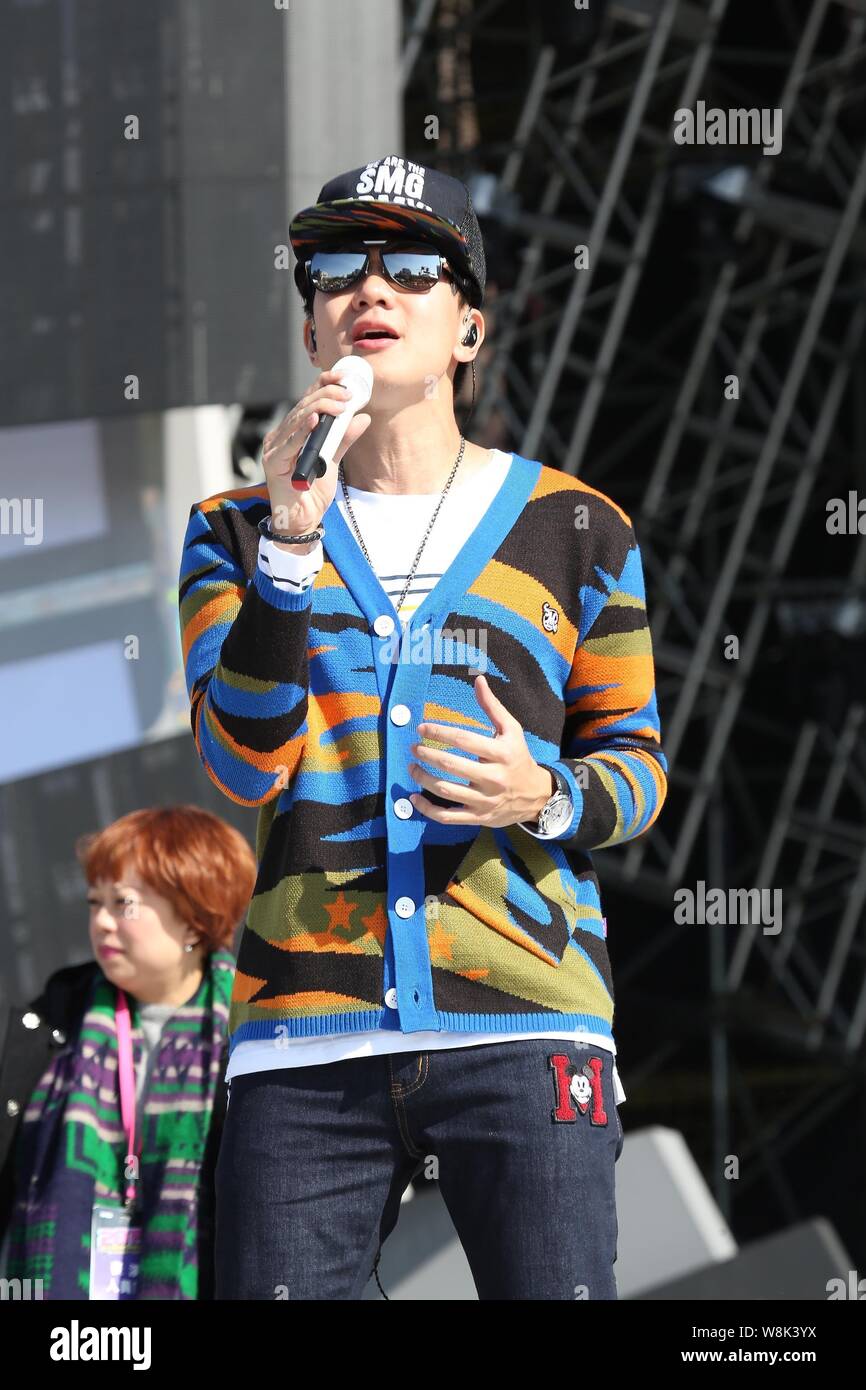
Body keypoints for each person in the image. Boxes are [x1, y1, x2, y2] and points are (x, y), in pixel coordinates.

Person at [178, 154, 668, 1300]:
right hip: (307, 1044)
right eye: (334, 267)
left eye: (412, 264)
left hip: (526, 1027)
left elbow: (636, 770)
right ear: (312, 333)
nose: (369, 288)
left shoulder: (577, 527)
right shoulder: (235, 530)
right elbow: (239, 759)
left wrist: (538, 794)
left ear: (468, 329)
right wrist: (294, 548)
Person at [0, 805, 256, 1299]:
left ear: (192, 918)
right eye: (94, 903)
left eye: (123, 905)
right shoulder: (49, 1023)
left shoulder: (251, 1030)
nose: (101, 922)